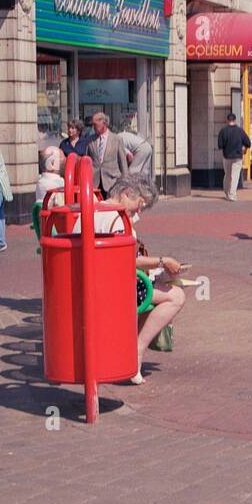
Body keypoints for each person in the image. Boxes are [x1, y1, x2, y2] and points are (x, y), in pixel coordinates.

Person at [93, 173, 185, 385]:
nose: (139, 210)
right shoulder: (116, 220)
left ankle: (130, 349)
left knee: (155, 291)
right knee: (176, 296)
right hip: (114, 289)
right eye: (139, 203)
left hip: (98, 282)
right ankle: (136, 352)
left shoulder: (93, 209)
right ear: (126, 194)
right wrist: (162, 262)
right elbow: (128, 261)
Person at [87, 113, 128, 198]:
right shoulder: (90, 140)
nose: (93, 128)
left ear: (104, 123)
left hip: (112, 182)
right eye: (93, 125)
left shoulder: (116, 139)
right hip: (95, 184)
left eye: (96, 125)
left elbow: (123, 163)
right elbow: (87, 162)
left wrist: (125, 184)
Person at [217, 112, 251, 201]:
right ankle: (232, 194)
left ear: (227, 120)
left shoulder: (223, 131)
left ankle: (226, 191)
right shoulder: (240, 131)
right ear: (235, 120)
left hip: (227, 156)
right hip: (237, 156)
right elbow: (248, 142)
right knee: (235, 175)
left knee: (227, 174)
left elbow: (220, 145)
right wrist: (244, 149)